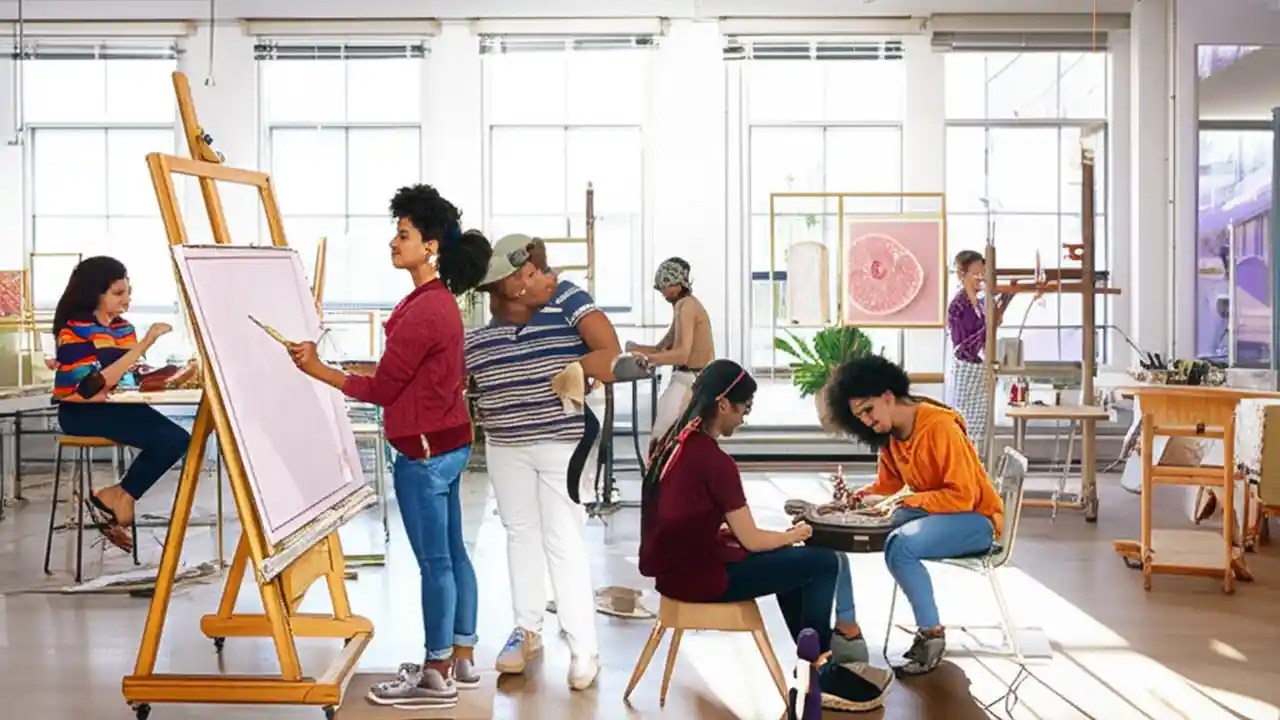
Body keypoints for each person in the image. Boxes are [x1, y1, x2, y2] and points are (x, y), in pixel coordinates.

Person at [285, 184, 492, 708]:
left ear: (430, 247)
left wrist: (318, 370)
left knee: (435, 563)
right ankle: (461, 656)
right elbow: (406, 373)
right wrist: (343, 368)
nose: (394, 242)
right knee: (453, 555)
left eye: (404, 234)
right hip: (448, 443)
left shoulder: (424, 309)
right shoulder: (436, 302)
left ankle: (435, 672)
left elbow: (383, 390)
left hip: (423, 454)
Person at [465, 233, 623, 690]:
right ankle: (526, 630)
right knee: (520, 534)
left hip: (562, 440)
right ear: (511, 283)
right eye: (534, 271)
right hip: (505, 443)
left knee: (563, 537)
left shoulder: (567, 297)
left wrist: (579, 371)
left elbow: (610, 356)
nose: (548, 277)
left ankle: (583, 646)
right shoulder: (484, 328)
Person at [638, 359, 855, 656]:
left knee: (790, 565)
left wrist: (782, 542)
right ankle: (821, 660)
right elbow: (751, 539)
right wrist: (793, 535)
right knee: (824, 562)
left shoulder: (670, 445)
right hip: (701, 581)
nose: (743, 419)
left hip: (671, 575)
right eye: (745, 409)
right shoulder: (715, 462)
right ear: (724, 404)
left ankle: (813, 657)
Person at [824, 355, 1004, 675]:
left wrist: (900, 503)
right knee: (833, 532)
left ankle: (931, 636)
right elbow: (888, 486)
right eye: (859, 416)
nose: (866, 421)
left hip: (977, 520)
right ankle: (847, 630)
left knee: (901, 545)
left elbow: (962, 497)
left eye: (868, 409)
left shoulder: (939, 427)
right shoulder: (890, 435)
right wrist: (858, 498)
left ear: (888, 396)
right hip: (936, 513)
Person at [51, 256, 190, 552]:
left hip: (121, 406)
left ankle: (118, 495)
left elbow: (128, 378)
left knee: (179, 439)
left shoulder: (124, 329)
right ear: (95, 294)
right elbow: (90, 388)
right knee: (172, 440)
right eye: (118, 293)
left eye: (128, 292)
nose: (126, 300)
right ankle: (119, 496)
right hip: (82, 412)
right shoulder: (73, 330)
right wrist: (144, 344)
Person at [625, 257, 715, 458]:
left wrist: (649, 360)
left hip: (690, 380)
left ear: (675, 284)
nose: (662, 292)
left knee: (661, 439)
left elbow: (682, 354)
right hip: (688, 379)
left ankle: (658, 475)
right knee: (669, 440)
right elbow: (663, 347)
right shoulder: (683, 305)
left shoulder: (687, 307)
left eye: (664, 287)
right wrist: (635, 348)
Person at [945, 250, 1012, 454]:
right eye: (975, 273)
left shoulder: (982, 303)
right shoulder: (957, 306)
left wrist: (1006, 300)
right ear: (961, 274)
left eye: (983, 273)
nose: (980, 278)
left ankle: (976, 468)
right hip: (965, 371)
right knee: (965, 428)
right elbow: (964, 344)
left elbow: (990, 329)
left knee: (980, 429)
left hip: (979, 369)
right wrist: (990, 324)